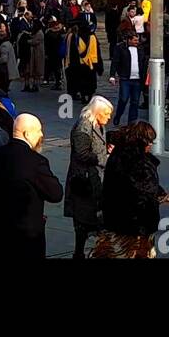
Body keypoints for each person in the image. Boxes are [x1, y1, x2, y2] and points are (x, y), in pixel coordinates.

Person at [0, 113, 64, 258]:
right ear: (27, 134)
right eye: (38, 130)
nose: (41, 134)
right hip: (26, 235)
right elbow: (56, 194)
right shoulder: (36, 161)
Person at [91, 121, 169, 259]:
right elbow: (144, 192)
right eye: (149, 141)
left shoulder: (119, 154)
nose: (151, 145)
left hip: (115, 219)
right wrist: (157, 196)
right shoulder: (138, 162)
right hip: (134, 225)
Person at [65, 96, 114, 258]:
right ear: (96, 112)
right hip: (84, 180)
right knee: (84, 220)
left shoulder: (97, 124)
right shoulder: (83, 128)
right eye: (106, 114)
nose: (108, 117)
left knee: (95, 217)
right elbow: (82, 154)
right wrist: (105, 157)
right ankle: (80, 252)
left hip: (95, 178)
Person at [110, 32, 146, 125]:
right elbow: (115, 62)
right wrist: (112, 75)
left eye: (137, 40)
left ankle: (132, 122)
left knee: (135, 101)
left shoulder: (140, 48)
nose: (136, 42)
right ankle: (118, 115)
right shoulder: (120, 48)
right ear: (129, 40)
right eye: (134, 40)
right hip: (125, 78)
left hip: (137, 79)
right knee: (123, 99)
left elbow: (143, 62)